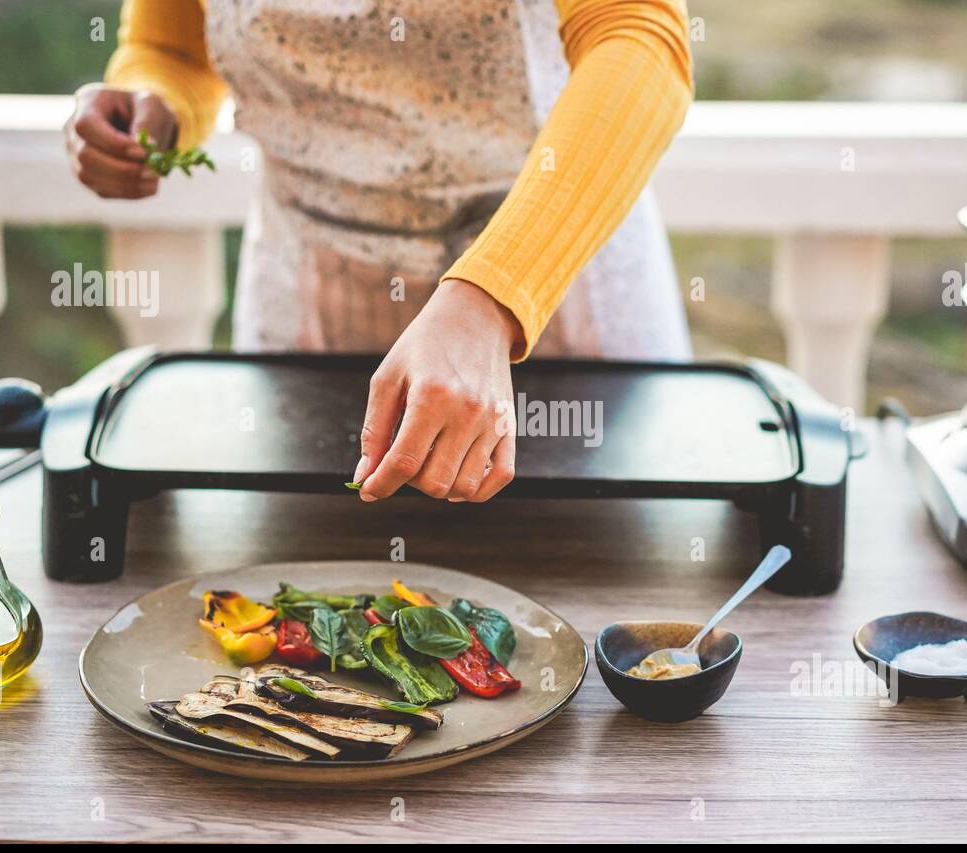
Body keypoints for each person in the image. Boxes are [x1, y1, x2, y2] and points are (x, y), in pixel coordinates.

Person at [66, 0, 693, 503]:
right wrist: (156, 99)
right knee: (308, 593)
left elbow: (636, 33)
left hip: (549, 278)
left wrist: (495, 295)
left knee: (591, 575)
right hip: (308, 283)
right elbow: (171, 46)